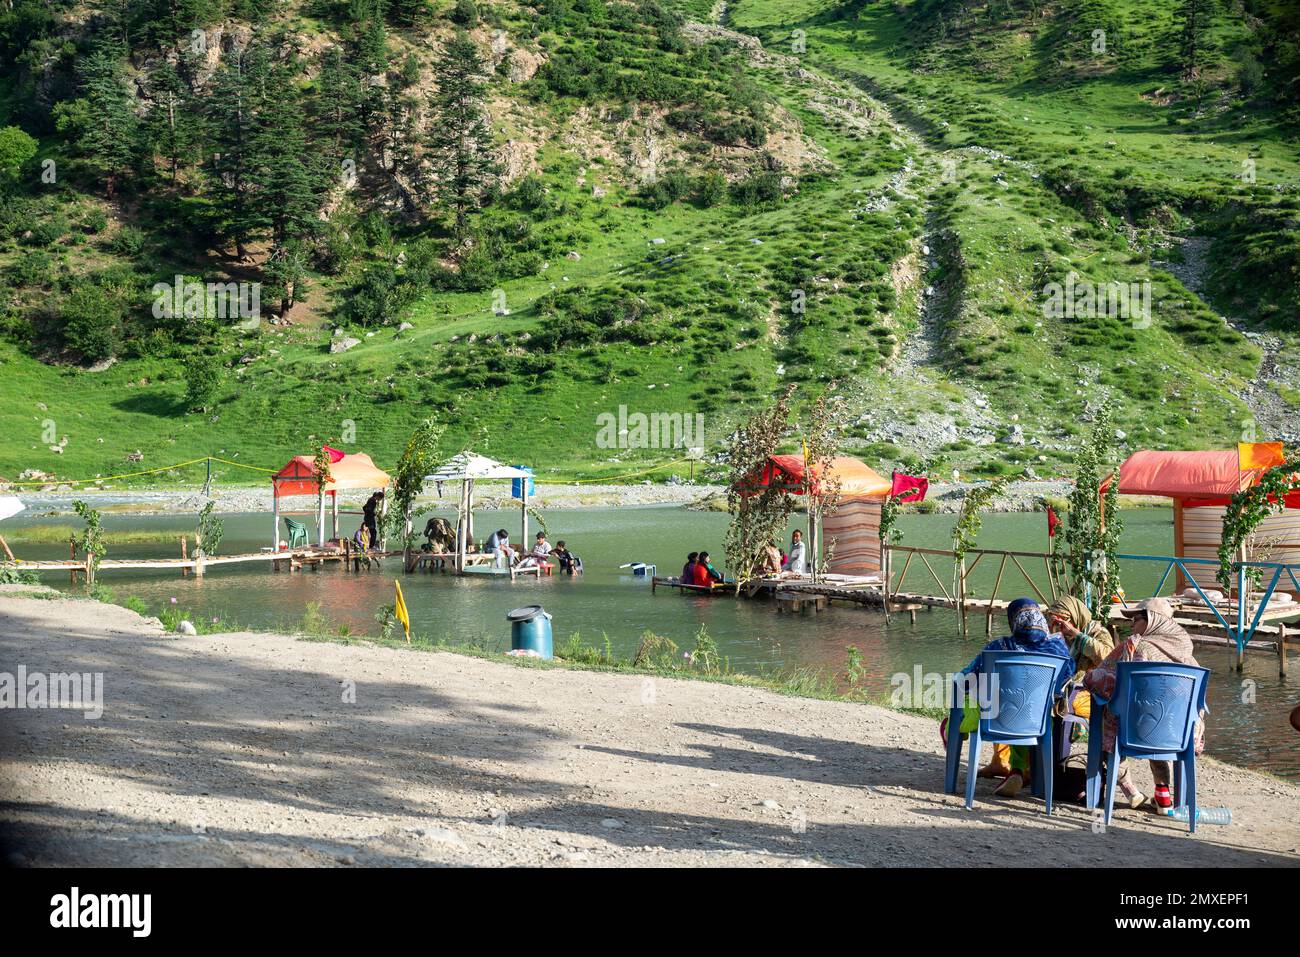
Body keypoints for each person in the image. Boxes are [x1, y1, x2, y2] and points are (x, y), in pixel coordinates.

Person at [1084, 596, 1204, 813]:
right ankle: (1163, 794)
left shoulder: (1133, 646)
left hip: (1133, 731)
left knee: (1107, 715)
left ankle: (1126, 785)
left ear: (1153, 620)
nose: (1131, 624)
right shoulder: (1188, 657)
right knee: (1160, 713)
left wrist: (1089, 675)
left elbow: (1099, 678)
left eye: (1136, 618)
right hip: (1177, 735)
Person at [953, 598, 1074, 799]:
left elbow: (966, 680)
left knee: (978, 703)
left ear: (1013, 621)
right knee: (1026, 705)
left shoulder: (999, 647)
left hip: (996, 720)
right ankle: (1019, 771)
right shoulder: (1059, 651)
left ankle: (954, 729)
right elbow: (1067, 679)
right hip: (1037, 722)